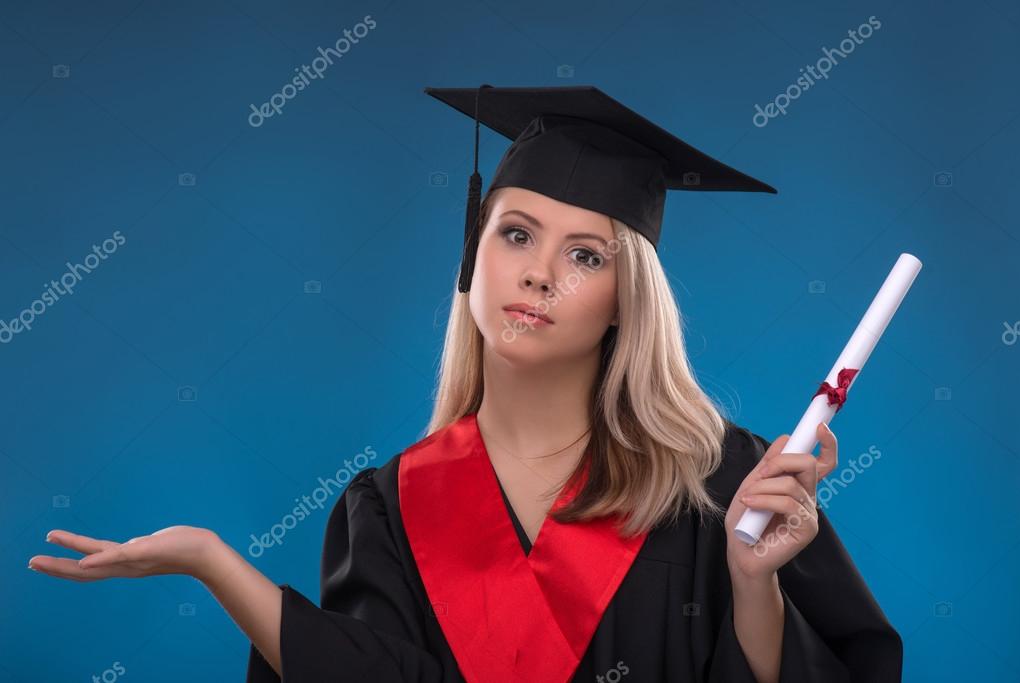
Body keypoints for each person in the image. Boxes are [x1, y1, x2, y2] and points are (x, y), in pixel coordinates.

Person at [27, 85, 903, 683]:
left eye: (585, 255)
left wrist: (753, 582)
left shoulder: (720, 479)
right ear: (471, 254)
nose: (539, 273)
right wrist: (209, 560)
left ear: (624, 300)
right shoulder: (389, 504)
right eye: (516, 233)